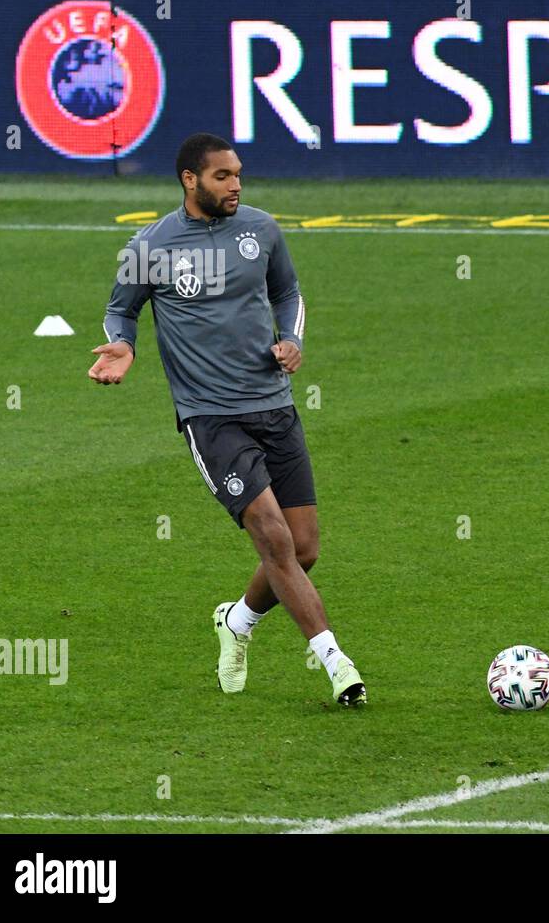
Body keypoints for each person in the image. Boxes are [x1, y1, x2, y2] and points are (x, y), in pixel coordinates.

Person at [88, 132, 366, 706]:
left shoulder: (261, 230)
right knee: (273, 537)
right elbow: (122, 308)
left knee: (304, 547)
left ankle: (236, 621)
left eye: (238, 174)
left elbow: (288, 292)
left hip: (274, 405)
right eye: (222, 176)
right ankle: (336, 663)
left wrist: (292, 339)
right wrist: (123, 345)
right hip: (210, 418)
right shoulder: (152, 245)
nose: (235, 184)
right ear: (190, 180)